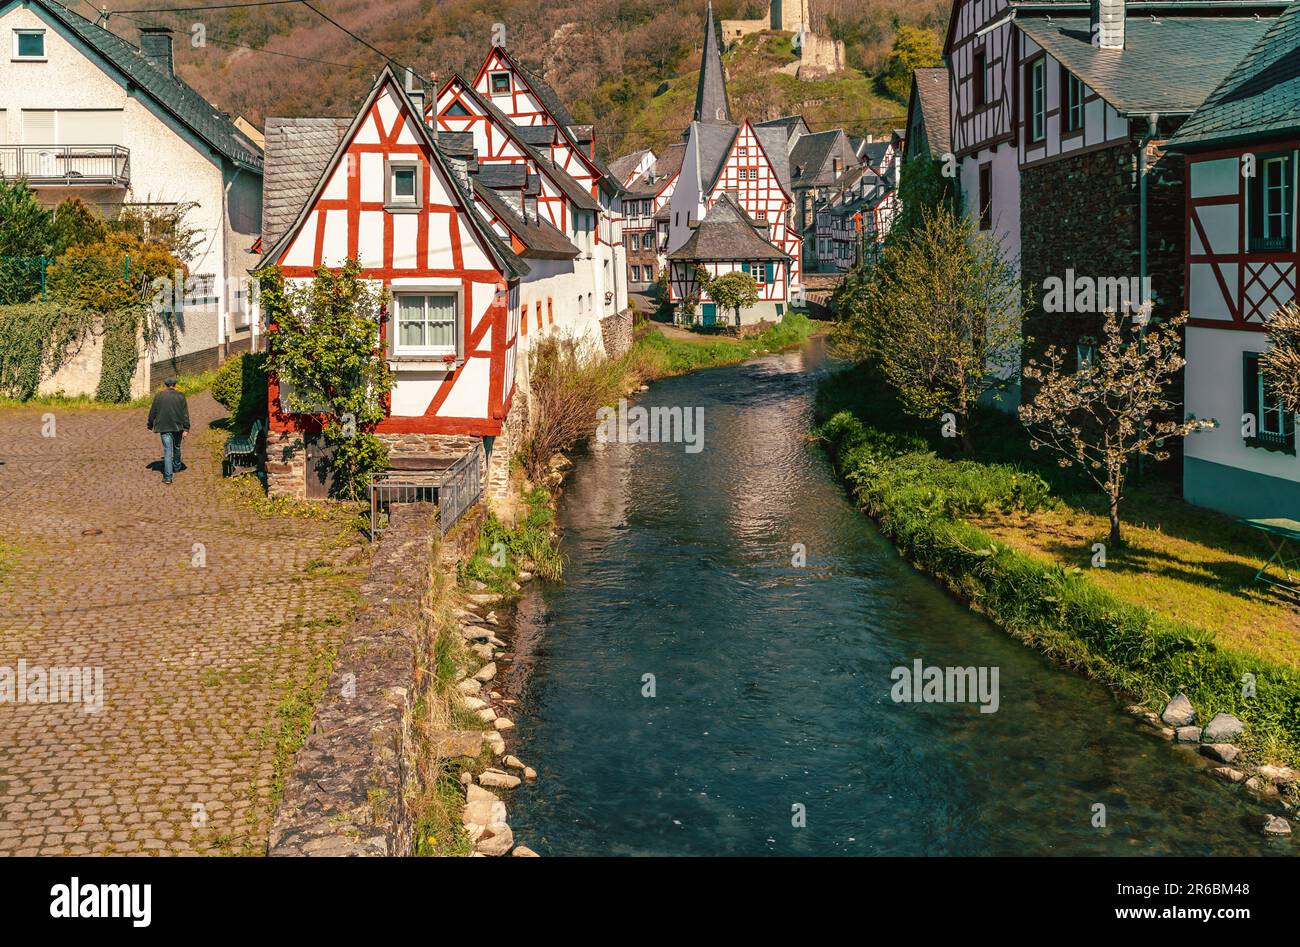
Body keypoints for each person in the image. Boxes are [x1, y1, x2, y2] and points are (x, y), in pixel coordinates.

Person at [146, 377, 190, 484]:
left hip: (164, 427)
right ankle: (177, 466)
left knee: (167, 451)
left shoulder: (159, 396)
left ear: (165, 385)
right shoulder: (181, 396)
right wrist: (186, 428)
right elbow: (185, 414)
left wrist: (150, 424)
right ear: (175, 385)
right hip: (178, 427)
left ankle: (168, 477)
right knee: (177, 447)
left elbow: (153, 412)